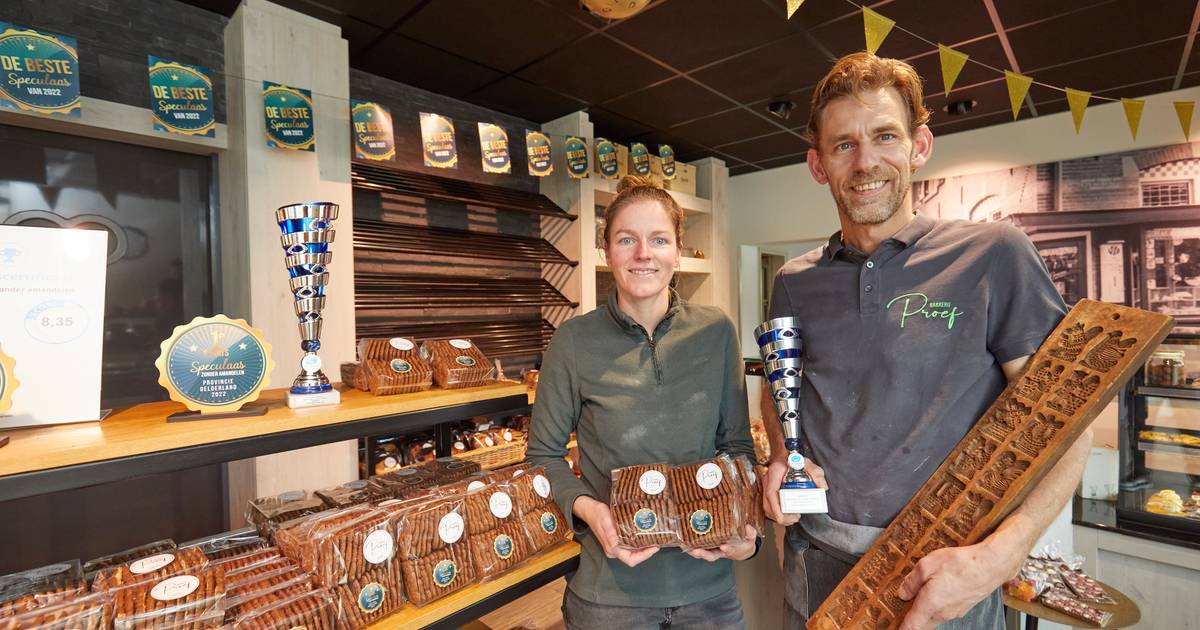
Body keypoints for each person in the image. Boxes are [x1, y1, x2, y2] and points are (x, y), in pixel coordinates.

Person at [761, 52, 1090, 630]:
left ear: (920, 144)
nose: (866, 162)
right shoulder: (794, 282)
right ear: (818, 165)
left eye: (885, 136)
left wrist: (996, 559)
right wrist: (781, 455)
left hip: (940, 576)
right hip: (815, 565)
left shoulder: (995, 255)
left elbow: (1068, 425)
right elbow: (782, 387)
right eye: (843, 145)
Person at [527, 175, 759, 629]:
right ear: (607, 250)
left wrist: (746, 536)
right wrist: (592, 511)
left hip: (710, 594)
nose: (642, 254)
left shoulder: (716, 331)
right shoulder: (573, 341)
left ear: (677, 250)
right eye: (626, 239)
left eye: (658, 239)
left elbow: (737, 448)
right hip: (609, 598)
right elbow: (543, 457)